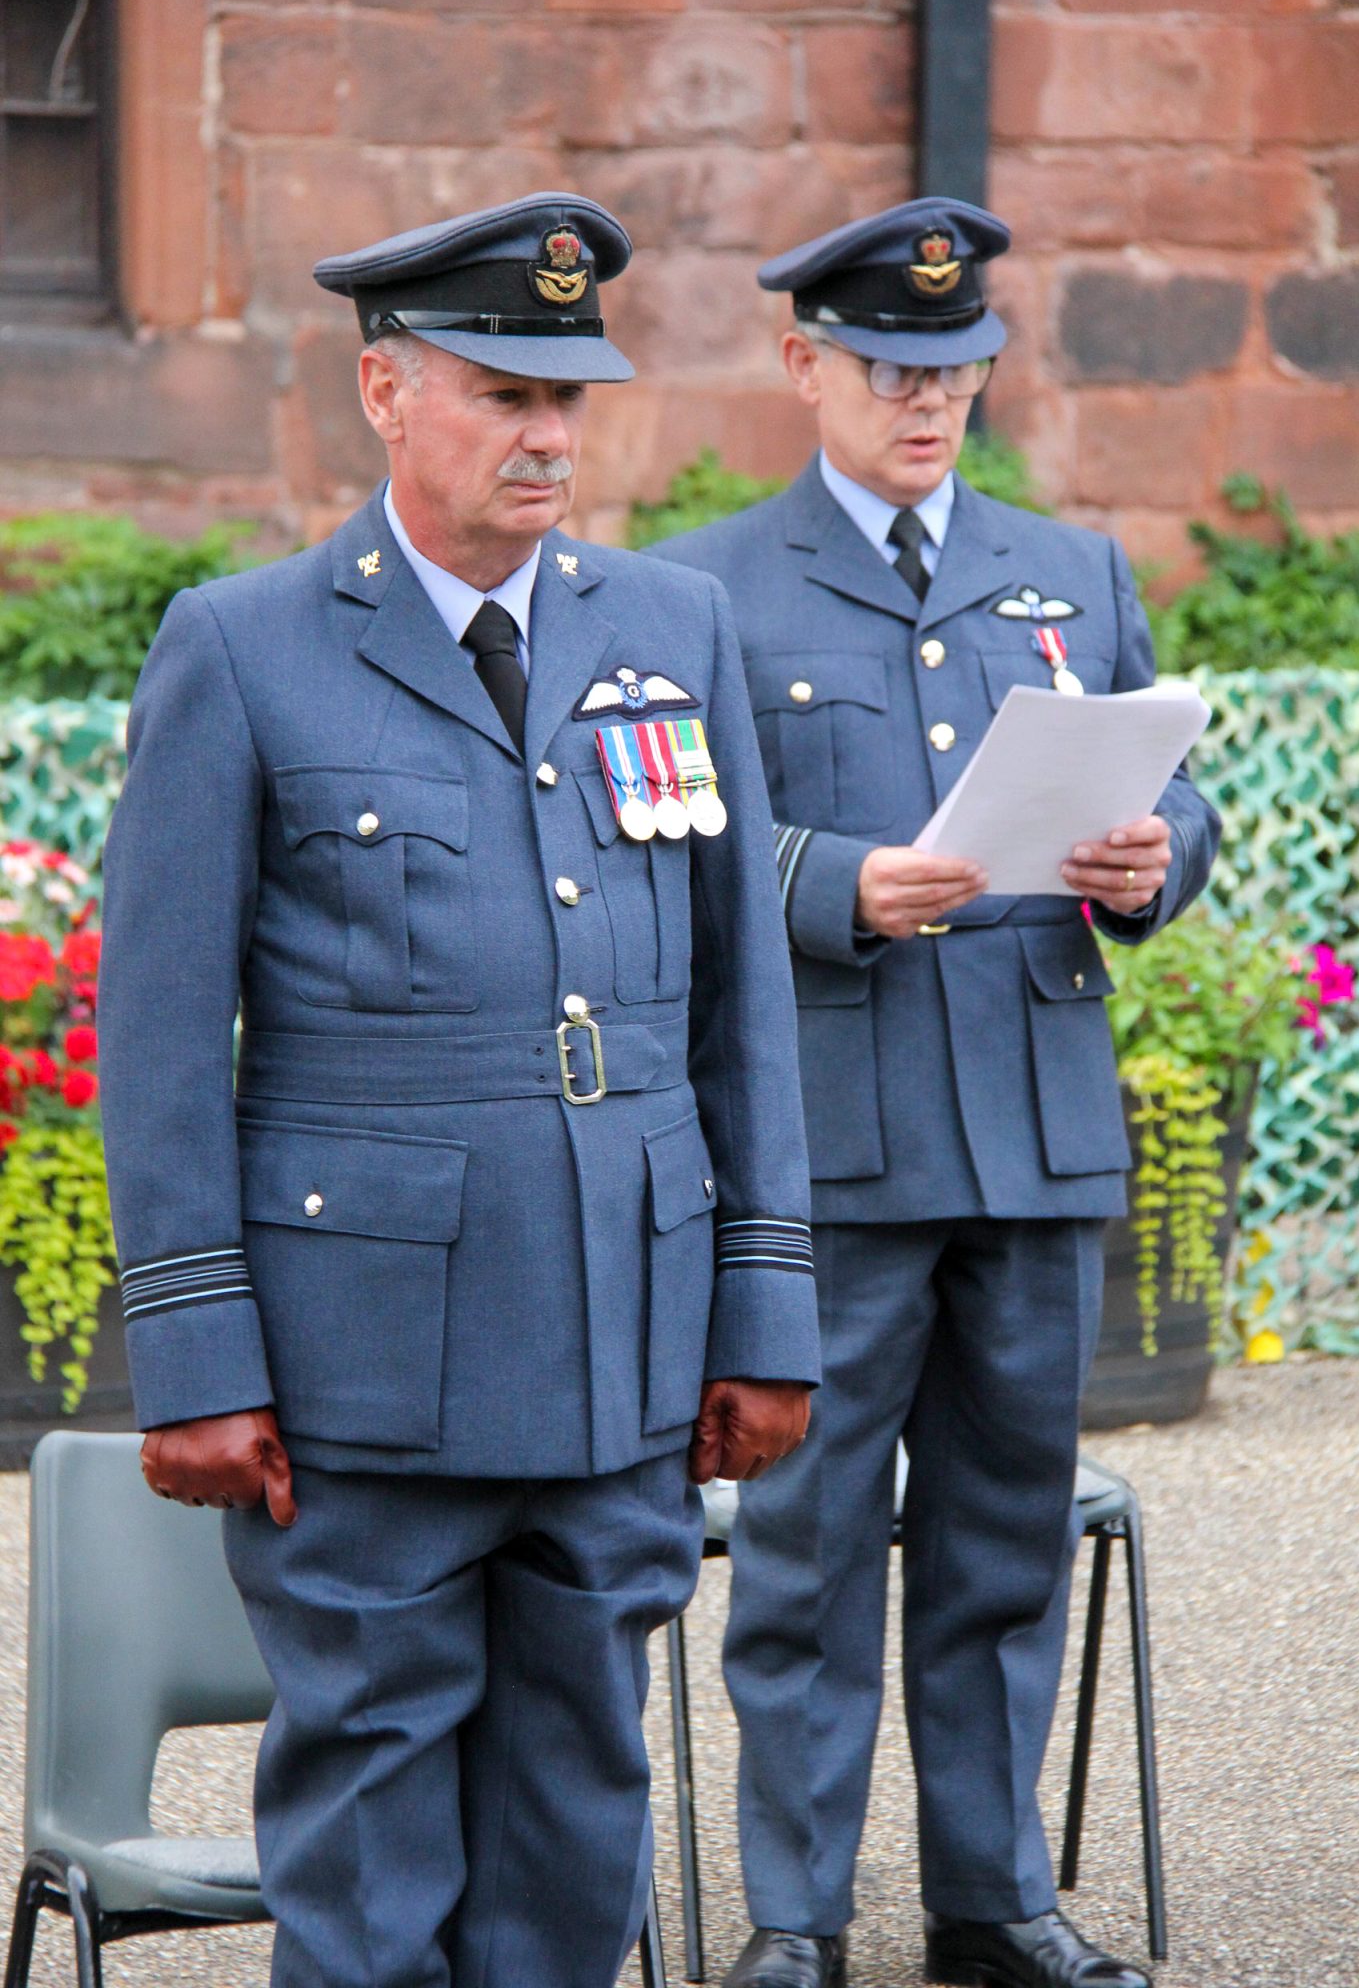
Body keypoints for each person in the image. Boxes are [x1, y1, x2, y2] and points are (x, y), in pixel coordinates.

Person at [96, 192, 821, 1988]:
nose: (548, 436)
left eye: (567, 399)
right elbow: (164, 1039)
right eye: (504, 394)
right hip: (369, 1369)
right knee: (366, 1854)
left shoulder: (672, 626)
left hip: (619, 1345)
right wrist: (195, 1359)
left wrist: (765, 1311)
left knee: (578, 1830)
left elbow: (739, 1004)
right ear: (384, 394)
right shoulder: (247, 646)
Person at [651, 198, 1220, 1988]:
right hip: (835, 1143)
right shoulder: (701, 590)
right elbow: (668, 837)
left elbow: (1167, 788)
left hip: (1030, 1132)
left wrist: (1152, 855)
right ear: (801, 363)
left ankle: (991, 1903)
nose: (927, 403)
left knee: (1002, 1545)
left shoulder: (1070, 569)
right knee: (808, 1556)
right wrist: (835, 882)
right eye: (890, 370)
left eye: (955, 370)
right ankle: (796, 1920)